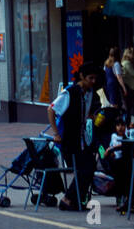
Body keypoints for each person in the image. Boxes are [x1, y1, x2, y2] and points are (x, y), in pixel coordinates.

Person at [50, 62, 102, 211]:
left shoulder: (90, 93)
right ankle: (68, 199)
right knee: (84, 168)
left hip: (82, 139)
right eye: (90, 78)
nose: (93, 81)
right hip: (69, 139)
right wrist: (56, 133)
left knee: (90, 166)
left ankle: (74, 200)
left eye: (95, 78)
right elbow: (51, 110)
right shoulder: (70, 92)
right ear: (82, 76)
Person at [120, 48, 134, 116]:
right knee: (129, 106)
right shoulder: (127, 63)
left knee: (129, 106)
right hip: (128, 87)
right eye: (132, 54)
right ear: (128, 54)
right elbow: (133, 73)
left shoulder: (124, 62)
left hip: (128, 86)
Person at [103, 47, 125, 114]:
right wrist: (124, 88)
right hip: (114, 85)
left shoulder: (106, 63)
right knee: (115, 103)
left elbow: (104, 73)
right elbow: (119, 77)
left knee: (111, 102)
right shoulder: (116, 64)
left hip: (108, 84)